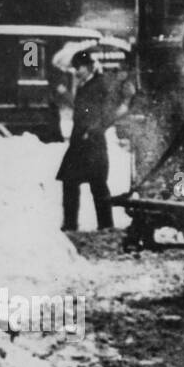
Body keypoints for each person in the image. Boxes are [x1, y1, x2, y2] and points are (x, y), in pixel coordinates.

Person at [57, 49, 131, 231]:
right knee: (70, 183)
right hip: (78, 143)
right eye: (75, 68)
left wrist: (94, 129)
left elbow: (108, 112)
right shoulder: (83, 85)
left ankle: (105, 225)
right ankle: (70, 223)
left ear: (89, 67)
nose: (77, 71)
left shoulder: (100, 85)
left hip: (93, 143)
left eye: (79, 67)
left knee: (97, 185)